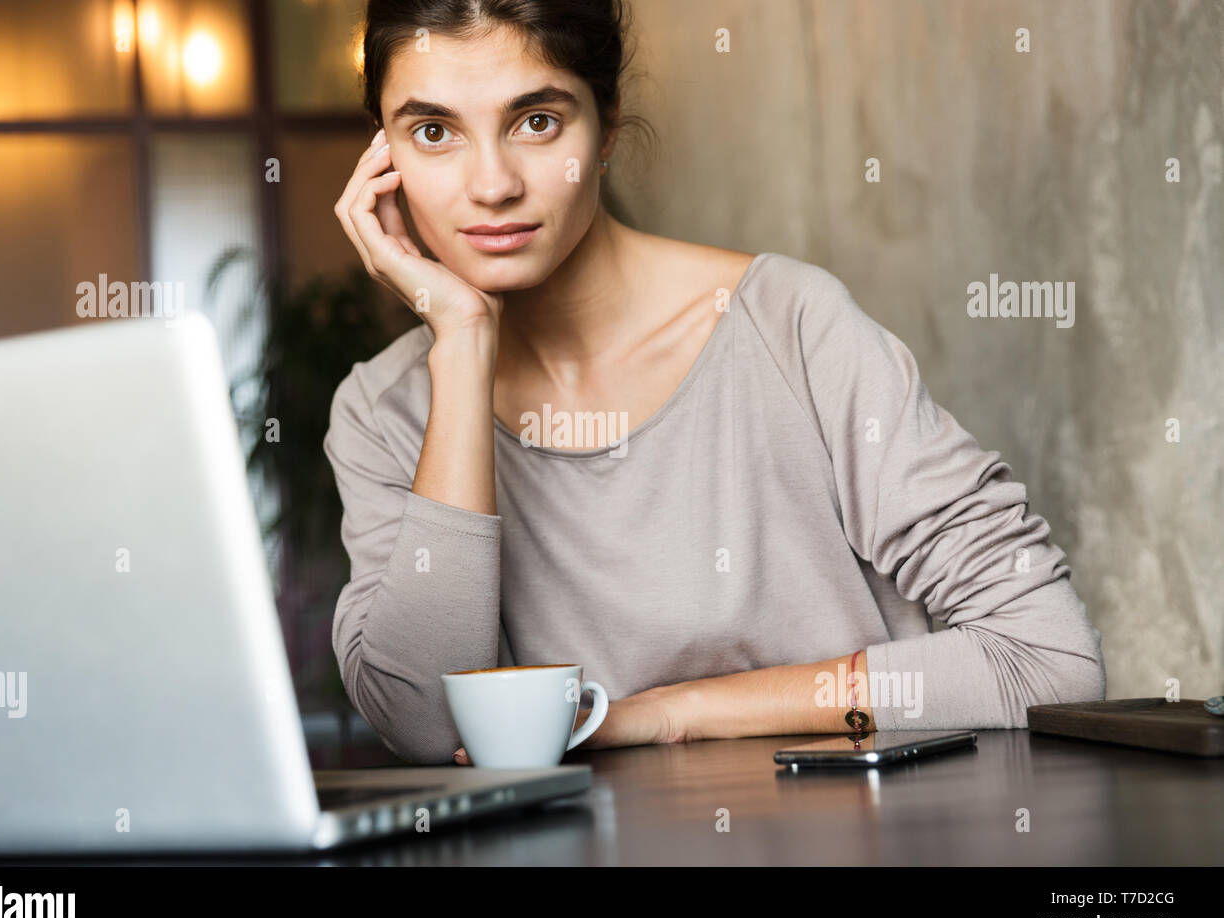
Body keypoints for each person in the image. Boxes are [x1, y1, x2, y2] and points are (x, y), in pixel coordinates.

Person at [326, 0, 1105, 766]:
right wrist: (463, 347)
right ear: (383, 156)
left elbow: (1047, 659)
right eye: (434, 132)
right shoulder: (382, 411)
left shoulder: (791, 327)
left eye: (537, 121)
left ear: (607, 128)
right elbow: (428, 727)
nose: (491, 184)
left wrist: (670, 714)